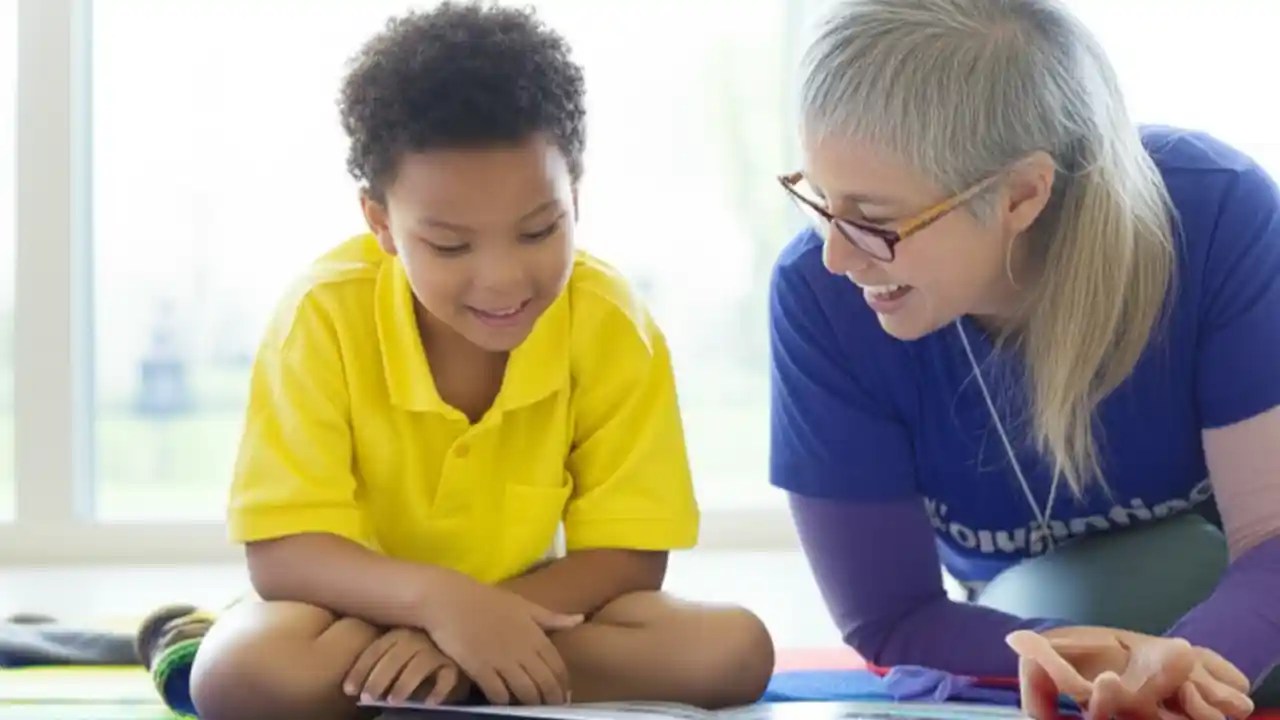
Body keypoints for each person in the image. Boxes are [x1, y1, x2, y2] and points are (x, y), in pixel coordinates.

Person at [149, 4, 774, 719]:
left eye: (540, 230)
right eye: (450, 246)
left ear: (576, 193)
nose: (504, 280)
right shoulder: (319, 316)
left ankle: (449, 677)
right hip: (355, 616)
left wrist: (482, 625)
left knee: (735, 651)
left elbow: (630, 558)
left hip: (536, 611)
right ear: (381, 222)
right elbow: (284, 556)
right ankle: (479, 677)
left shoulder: (611, 322)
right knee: (240, 675)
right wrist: (438, 605)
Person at [768, 1, 1280, 719]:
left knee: (1182, 563)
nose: (836, 254)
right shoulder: (817, 295)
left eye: (875, 222)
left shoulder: (1220, 215)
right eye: (821, 200)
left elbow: (1271, 540)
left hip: (1244, 607)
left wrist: (1188, 666)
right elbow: (889, 619)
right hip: (1031, 611)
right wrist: (1115, 659)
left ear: (1022, 194)